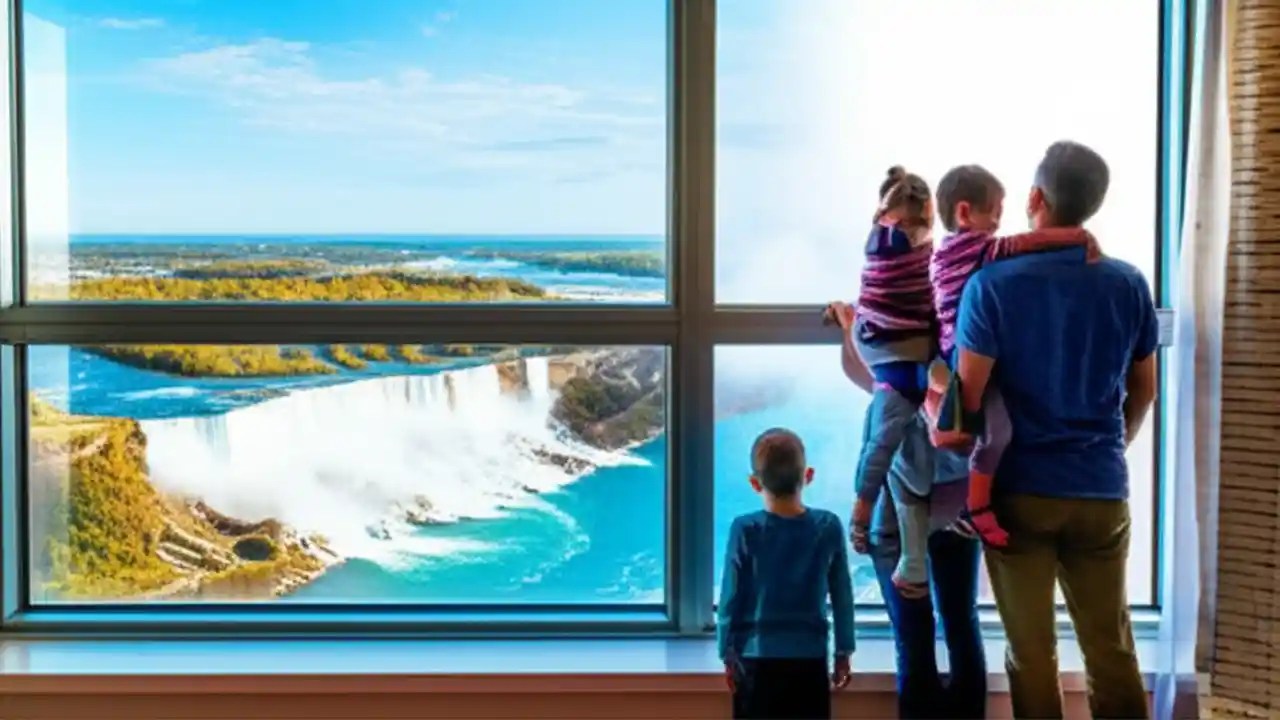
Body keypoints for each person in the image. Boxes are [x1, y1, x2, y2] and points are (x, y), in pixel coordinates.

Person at [953, 141, 1158, 719]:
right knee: (1111, 648)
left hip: (1019, 490)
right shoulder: (1128, 283)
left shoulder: (991, 286)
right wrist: (1114, 442)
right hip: (1099, 485)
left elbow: (969, 399)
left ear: (1035, 199)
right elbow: (1143, 390)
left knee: (1031, 652)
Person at [928, 164, 1100, 547]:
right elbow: (1024, 244)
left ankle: (967, 492)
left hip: (952, 353)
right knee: (996, 432)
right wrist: (1077, 236)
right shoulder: (970, 249)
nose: (998, 224)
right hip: (964, 353)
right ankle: (976, 505)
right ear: (964, 213)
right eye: (994, 213)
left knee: (984, 428)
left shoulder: (944, 254)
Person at [830, 300, 987, 719]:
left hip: (894, 519)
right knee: (960, 623)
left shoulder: (898, 364)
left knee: (914, 637)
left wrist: (851, 328)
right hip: (955, 509)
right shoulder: (961, 358)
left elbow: (867, 381)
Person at [840, 166, 938, 599]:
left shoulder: (893, 250)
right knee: (882, 444)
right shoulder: (898, 253)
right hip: (900, 365)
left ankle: (866, 518)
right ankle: (885, 535)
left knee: (885, 449)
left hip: (899, 366)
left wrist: (861, 506)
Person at [717, 428, 855, 719]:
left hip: (755, 661)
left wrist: (725, 651)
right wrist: (844, 650)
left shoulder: (744, 529)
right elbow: (842, 596)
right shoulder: (828, 525)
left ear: (755, 483)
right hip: (810, 659)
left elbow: (730, 597)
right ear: (808, 476)